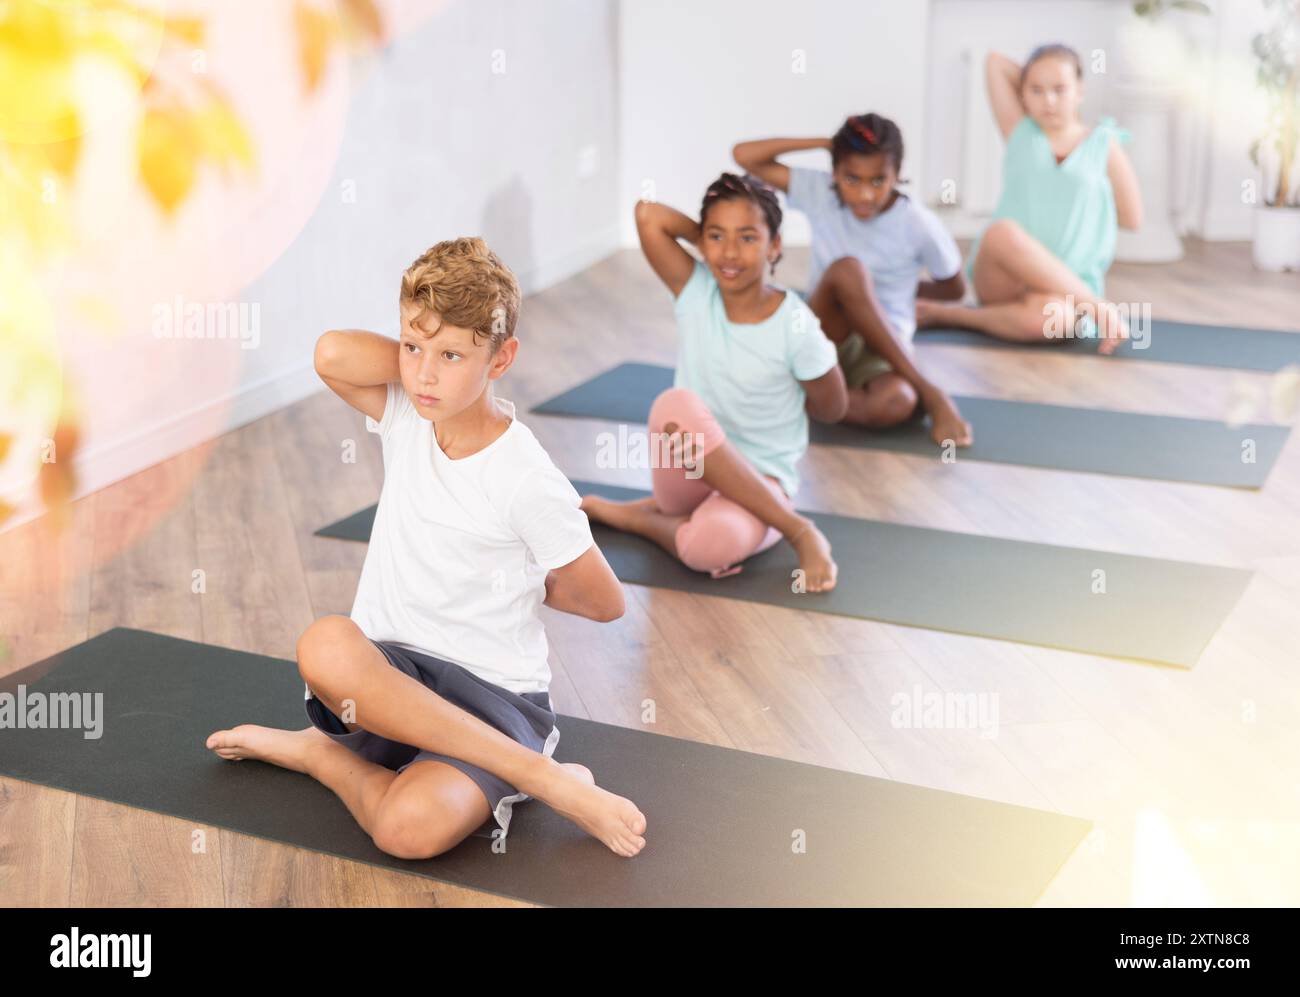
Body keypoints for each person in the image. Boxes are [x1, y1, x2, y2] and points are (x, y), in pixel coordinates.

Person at [207, 237, 647, 859]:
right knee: (324, 645)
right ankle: (539, 779)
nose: (426, 373)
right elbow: (331, 354)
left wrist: (523, 579)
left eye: (453, 356)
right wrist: (430, 349)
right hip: (391, 677)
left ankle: (328, 756)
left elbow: (605, 603)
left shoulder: (527, 478)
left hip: (492, 699)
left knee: (404, 830)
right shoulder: (408, 413)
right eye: (413, 348)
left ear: (501, 359)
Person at [581, 173, 847, 590]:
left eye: (747, 238)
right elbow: (648, 215)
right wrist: (705, 241)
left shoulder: (797, 325)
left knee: (708, 548)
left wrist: (811, 367)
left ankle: (632, 517)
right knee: (676, 405)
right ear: (703, 242)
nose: (730, 252)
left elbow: (834, 408)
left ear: (775, 245)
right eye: (717, 237)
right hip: (685, 475)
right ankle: (800, 530)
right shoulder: (695, 291)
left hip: (764, 483)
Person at [734, 112, 973, 447]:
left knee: (898, 402)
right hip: (824, 329)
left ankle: (795, 398)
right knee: (848, 272)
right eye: (851, 179)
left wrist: (888, 294)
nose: (864, 194)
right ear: (834, 173)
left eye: (878, 181)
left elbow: (954, 289)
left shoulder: (918, 223)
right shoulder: (820, 193)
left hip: (884, 349)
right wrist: (824, 143)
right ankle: (932, 394)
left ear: (897, 175)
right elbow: (744, 155)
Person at [915, 45, 1143, 353]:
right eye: (1036, 90)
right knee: (1002, 231)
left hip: (1063, 290)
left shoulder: (1104, 143)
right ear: (1022, 93)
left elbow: (1132, 218)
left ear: (1080, 91)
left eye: (1059, 89)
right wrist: (1035, 81)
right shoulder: (1020, 130)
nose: (1048, 100)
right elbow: (994, 61)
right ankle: (1098, 307)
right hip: (1003, 276)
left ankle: (951, 315)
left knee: (1054, 321)